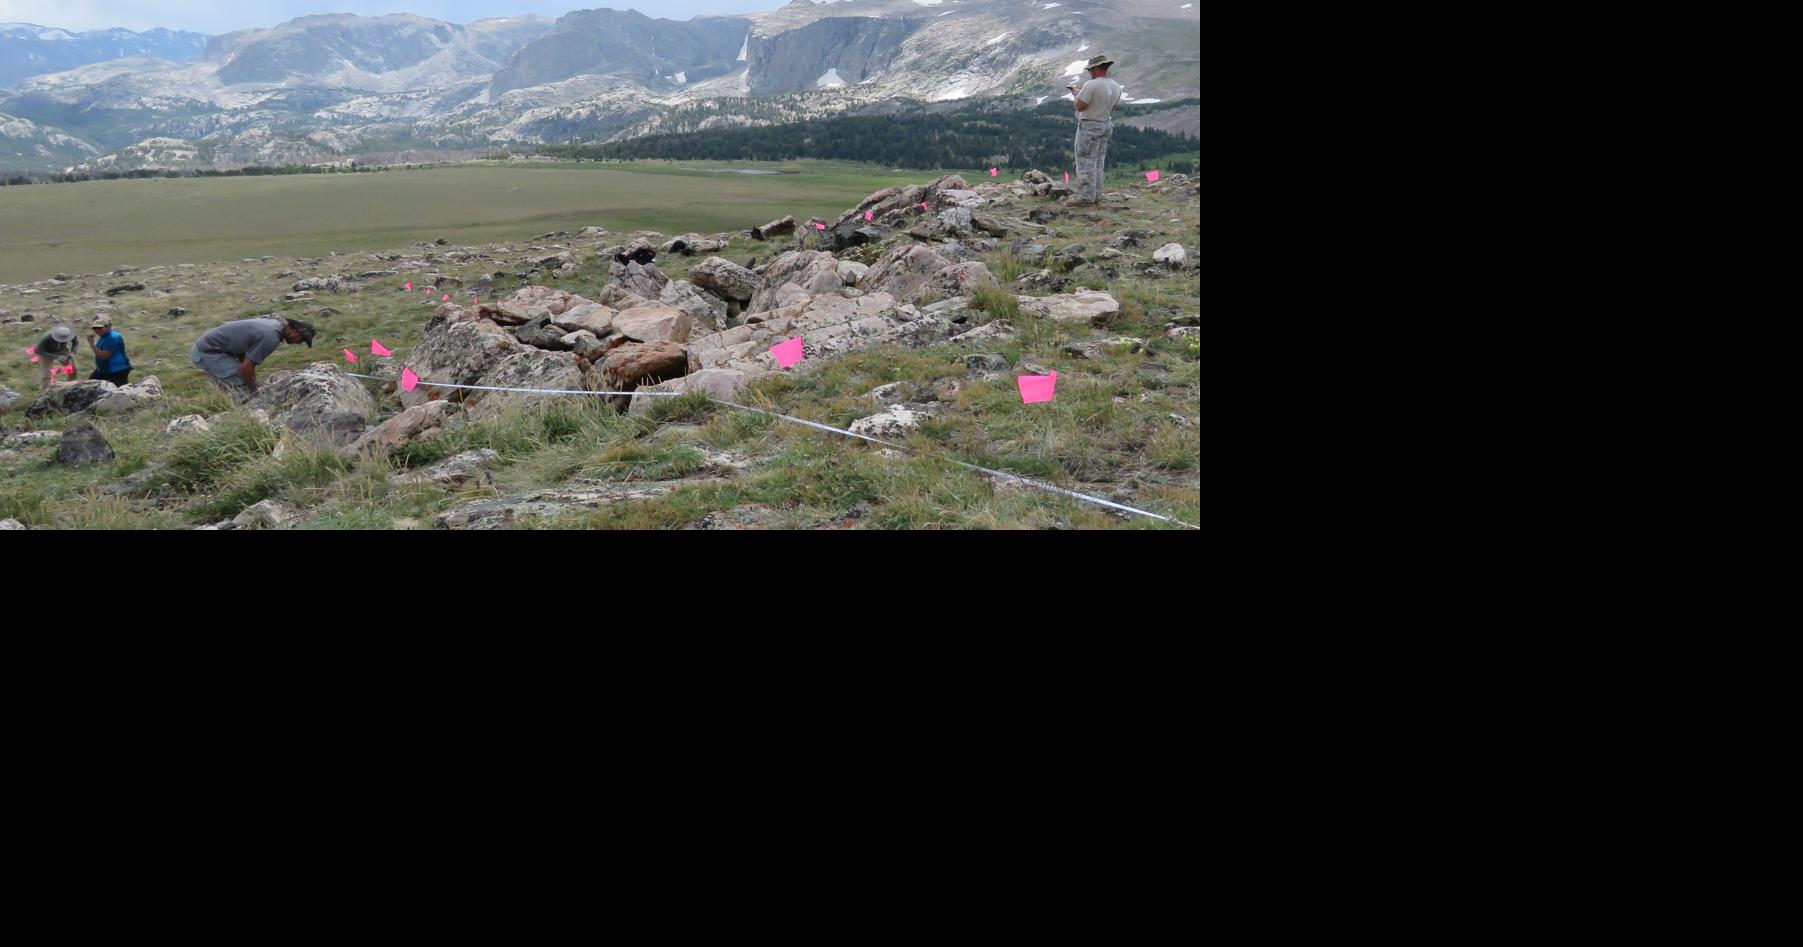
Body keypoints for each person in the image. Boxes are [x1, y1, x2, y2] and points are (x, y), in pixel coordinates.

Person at [189, 317, 314, 400]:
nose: (299, 343)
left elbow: (245, 352)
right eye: (301, 340)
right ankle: (242, 418)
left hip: (210, 348)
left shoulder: (274, 325)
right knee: (243, 390)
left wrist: (254, 383)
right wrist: (255, 392)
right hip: (208, 352)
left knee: (238, 384)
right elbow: (246, 367)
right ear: (296, 332)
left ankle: (225, 405)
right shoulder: (271, 338)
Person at [1067, 54, 1124, 206]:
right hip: (1106, 124)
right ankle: (1097, 195)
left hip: (1089, 126)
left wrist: (1076, 95)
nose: (1090, 72)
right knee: (1099, 161)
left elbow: (1080, 106)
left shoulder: (1092, 85)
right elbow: (1111, 107)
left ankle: (1086, 198)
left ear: (1096, 69)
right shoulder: (1116, 86)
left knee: (1085, 162)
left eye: (1091, 69)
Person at [87, 315, 132, 387]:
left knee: (117, 392)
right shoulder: (104, 336)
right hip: (104, 370)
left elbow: (103, 356)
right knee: (90, 386)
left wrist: (92, 344)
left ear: (107, 326)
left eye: (100, 328)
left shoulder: (113, 337)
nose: (97, 330)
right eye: (95, 328)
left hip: (116, 370)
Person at [34, 325, 80, 389]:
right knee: (47, 374)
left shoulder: (70, 334)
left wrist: (72, 353)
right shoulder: (46, 337)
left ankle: (71, 385)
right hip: (46, 353)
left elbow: (76, 343)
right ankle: (46, 391)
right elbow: (37, 351)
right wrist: (57, 357)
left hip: (62, 350)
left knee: (72, 368)